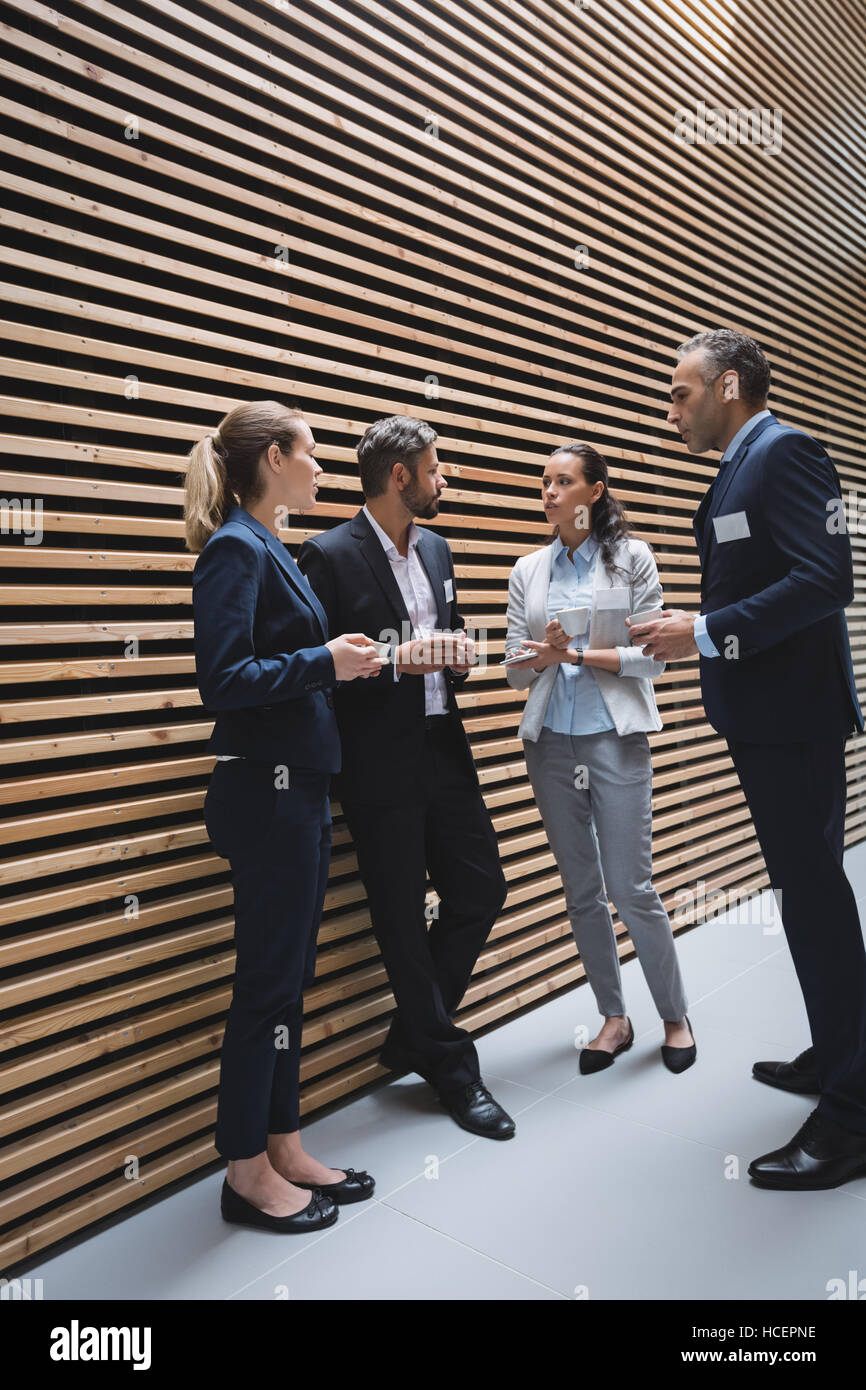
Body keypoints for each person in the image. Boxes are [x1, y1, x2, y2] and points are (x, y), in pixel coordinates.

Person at [633, 327, 866, 1189]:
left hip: (794, 720)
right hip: (769, 718)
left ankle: (853, 1113)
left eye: (679, 393)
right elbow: (763, 578)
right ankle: (844, 1054)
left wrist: (699, 631)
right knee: (807, 902)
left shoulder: (785, 452)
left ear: (729, 385)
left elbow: (826, 578)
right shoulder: (742, 465)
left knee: (815, 903)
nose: (671, 413)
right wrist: (693, 627)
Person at [187, 399, 382, 1233]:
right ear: (273, 458)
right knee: (265, 987)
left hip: (294, 789)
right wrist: (325, 660)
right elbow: (223, 680)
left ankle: (284, 1144)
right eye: (312, 454)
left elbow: (286, 667)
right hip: (263, 797)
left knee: (287, 983)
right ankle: (244, 1173)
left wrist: (349, 664)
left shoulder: (271, 547)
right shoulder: (235, 550)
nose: (322, 468)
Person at [296, 415, 514, 1139]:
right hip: (375, 766)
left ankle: (413, 1035)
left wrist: (460, 655)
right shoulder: (326, 556)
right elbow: (313, 677)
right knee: (398, 916)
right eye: (436, 469)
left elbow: (448, 630)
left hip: (443, 750)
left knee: (483, 888)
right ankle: (451, 1065)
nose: (442, 479)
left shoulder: (440, 548)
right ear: (401, 477)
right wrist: (399, 660)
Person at [505, 442, 695, 1074]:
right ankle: (613, 1018)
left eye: (564, 482)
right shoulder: (528, 570)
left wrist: (577, 654)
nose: (551, 493)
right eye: (544, 483)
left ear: (594, 491)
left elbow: (655, 656)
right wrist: (541, 654)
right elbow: (512, 670)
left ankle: (674, 1016)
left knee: (631, 886)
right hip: (551, 745)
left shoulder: (631, 558)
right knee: (582, 891)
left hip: (614, 739)